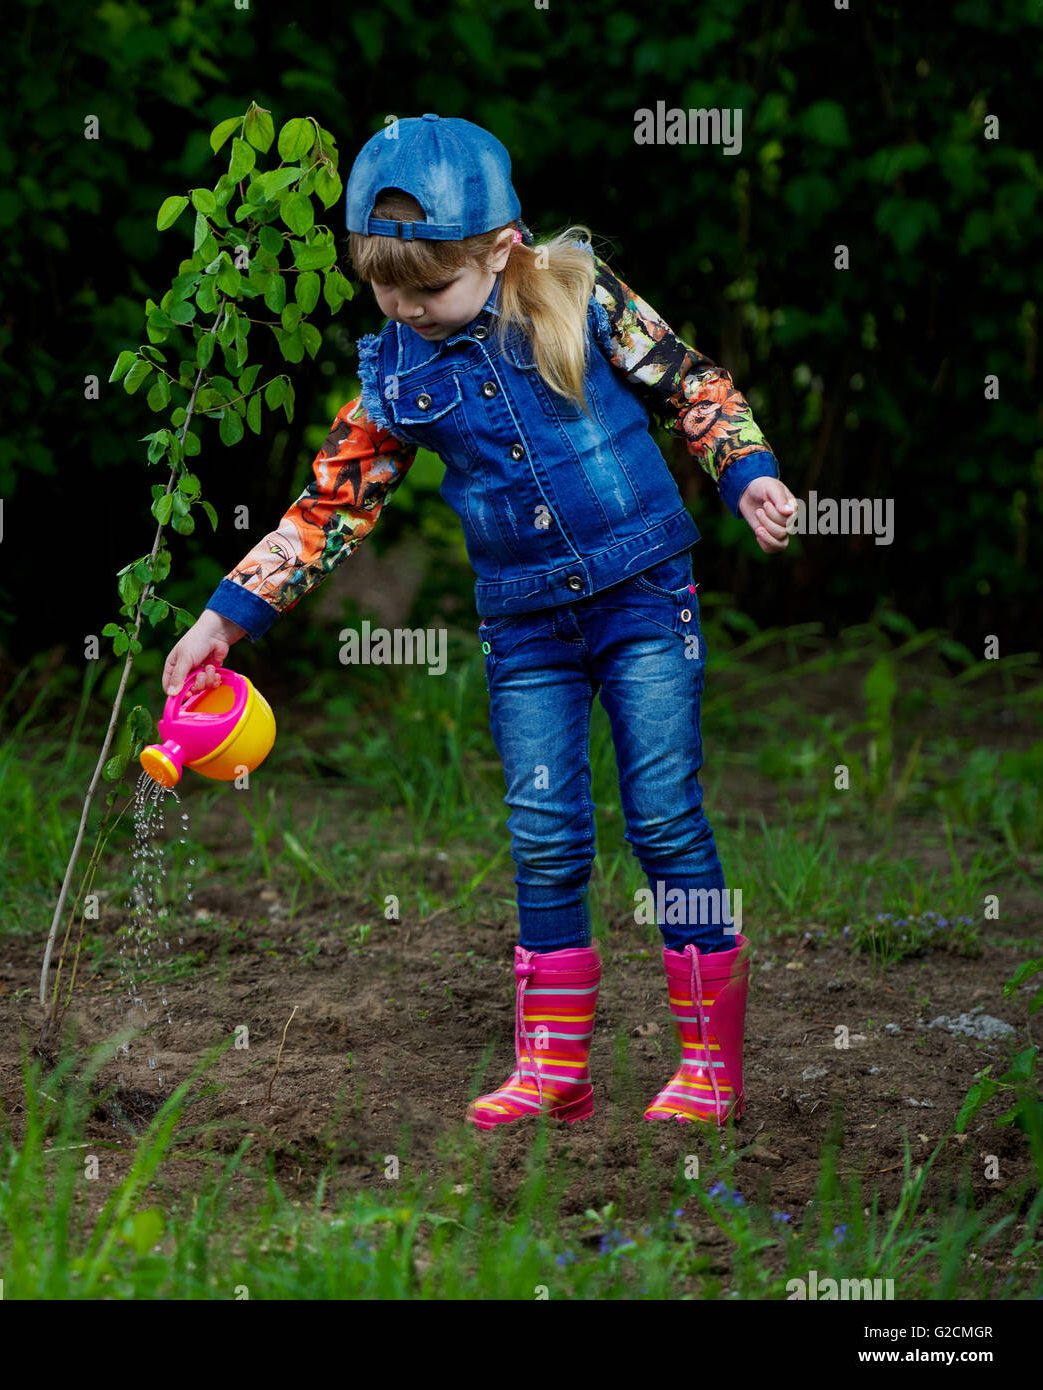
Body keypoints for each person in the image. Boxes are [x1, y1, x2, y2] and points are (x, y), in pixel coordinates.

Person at [162, 114, 797, 1130]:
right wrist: (224, 618)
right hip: (526, 630)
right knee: (544, 836)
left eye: (429, 287)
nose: (407, 308)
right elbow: (331, 505)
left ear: (500, 248)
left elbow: (692, 383)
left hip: (643, 597)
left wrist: (748, 473)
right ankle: (553, 1068)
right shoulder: (395, 374)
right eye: (384, 287)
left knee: (664, 818)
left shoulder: (580, 297)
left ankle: (707, 1064)